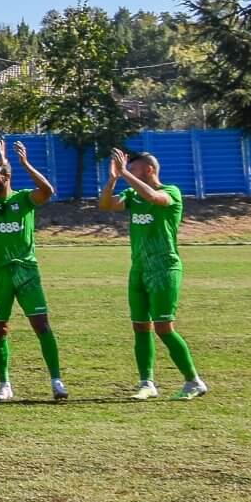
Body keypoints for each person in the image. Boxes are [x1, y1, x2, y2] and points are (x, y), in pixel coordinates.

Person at [101, 148, 206, 400]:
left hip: (164, 268)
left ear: (149, 170)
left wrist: (125, 173)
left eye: (134, 169)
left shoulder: (171, 192)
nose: (130, 174)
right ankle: (147, 383)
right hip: (138, 268)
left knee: (163, 327)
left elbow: (154, 198)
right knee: (140, 327)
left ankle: (194, 381)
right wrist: (114, 178)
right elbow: (105, 205)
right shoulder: (131, 195)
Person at [0, 142, 65, 402]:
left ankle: (56, 380)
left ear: (7, 177)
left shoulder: (23, 199)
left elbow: (47, 191)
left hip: (26, 272)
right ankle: (4, 384)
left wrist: (23, 164)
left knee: (41, 324)